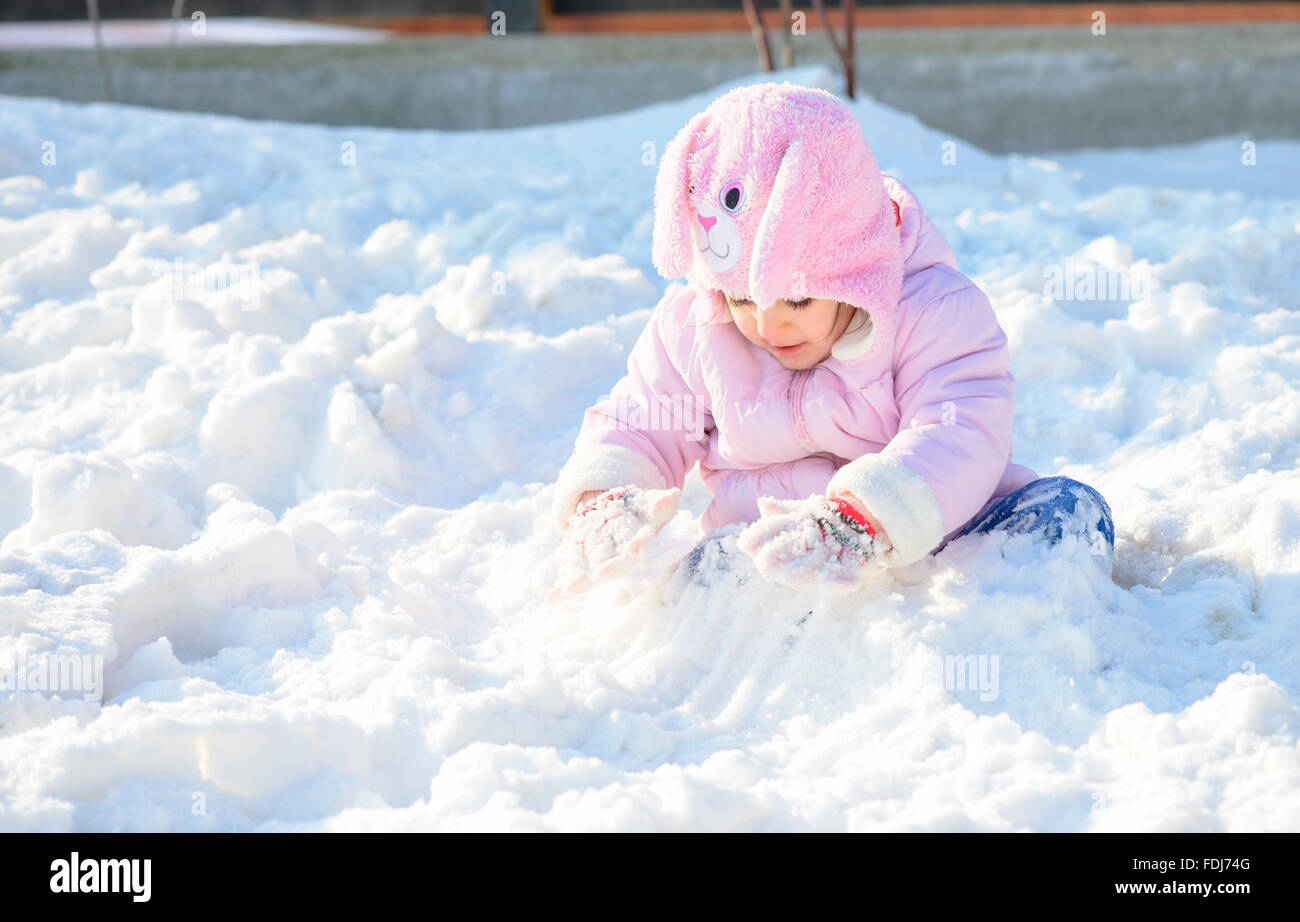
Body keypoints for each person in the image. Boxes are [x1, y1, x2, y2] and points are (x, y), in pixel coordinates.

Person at [550, 82, 1113, 598]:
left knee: (1069, 510)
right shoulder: (696, 327)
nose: (769, 328)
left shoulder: (933, 311)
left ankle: (999, 622)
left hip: (931, 540)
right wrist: (603, 493)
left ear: (852, 273)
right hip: (769, 552)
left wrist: (865, 516)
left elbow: (963, 426)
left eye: (797, 301)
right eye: (743, 300)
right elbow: (641, 417)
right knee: (706, 574)